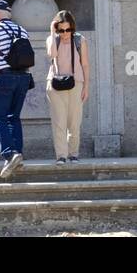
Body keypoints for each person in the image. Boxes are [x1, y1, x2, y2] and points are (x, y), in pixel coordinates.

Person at [0, 0, 32, 179]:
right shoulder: (22, 30)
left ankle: (10, 154)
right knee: (14, 117)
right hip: (24, 77)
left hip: (4, 76)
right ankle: (17, 154)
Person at [45, 11, 88, 164]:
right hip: (55, 84)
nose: (65, 33)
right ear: (57, 28)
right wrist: (51, 32)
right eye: (61, 30)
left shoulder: (79, 40)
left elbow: (85, 64)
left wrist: (86, 87)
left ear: (72, 28)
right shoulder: (52, 39)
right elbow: (52, 54)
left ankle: (73, 154)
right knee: (59, 122)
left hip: (76, 83)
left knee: (74, 123)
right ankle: (61, 156)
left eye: (68, 30)